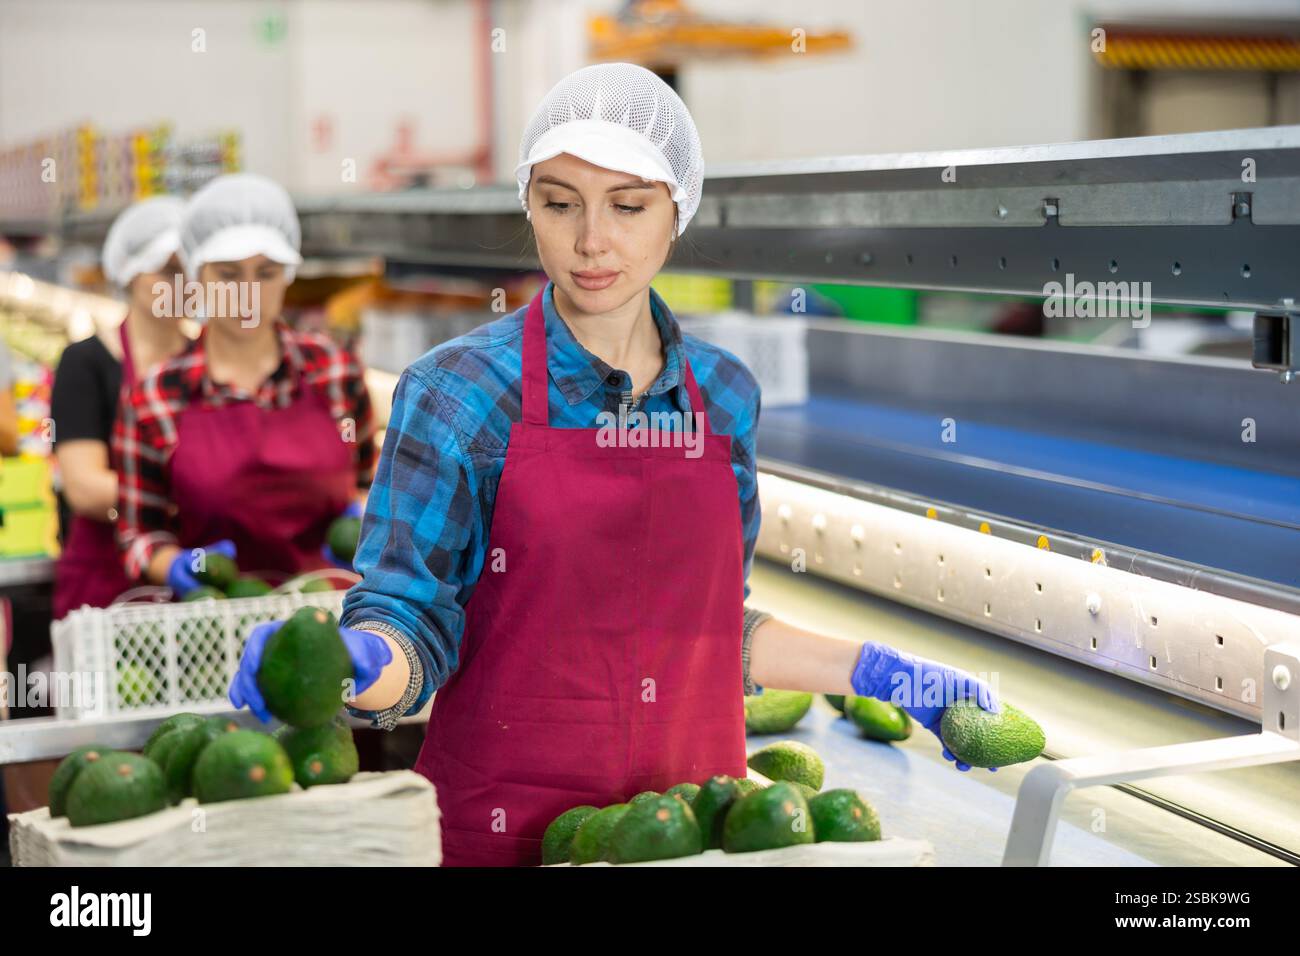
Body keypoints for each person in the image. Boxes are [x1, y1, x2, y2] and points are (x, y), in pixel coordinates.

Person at [230, 63, 1000, 867]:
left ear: (679, 213)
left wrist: (884, 673)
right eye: (560, 204)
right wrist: (355, 664)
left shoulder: (724, 398)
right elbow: (412, 626)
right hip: (505, 836)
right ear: (529, 204)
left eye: (628, 206)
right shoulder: (458, 392)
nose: (591, 240)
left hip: (692, 835)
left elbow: (701, 631)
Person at [112, 174, 375, 596]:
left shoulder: (335, 372)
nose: (248, 293)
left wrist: (366, 520)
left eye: (267, 273)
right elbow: (139, 534)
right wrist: (181, 565)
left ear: (288, 275)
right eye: (229, 275)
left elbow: (370, 480)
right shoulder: (154, 397)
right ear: (197, 278)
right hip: (213, 629)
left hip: (333, 617)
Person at [49, 197, 190, 618]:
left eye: (188, 271)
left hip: (187, 584)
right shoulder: (85, 363)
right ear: (128, 272)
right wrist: (194, 493)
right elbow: (85, 487)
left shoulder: (207, 365)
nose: (179, 284)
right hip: (104, 585)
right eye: (167, 270)